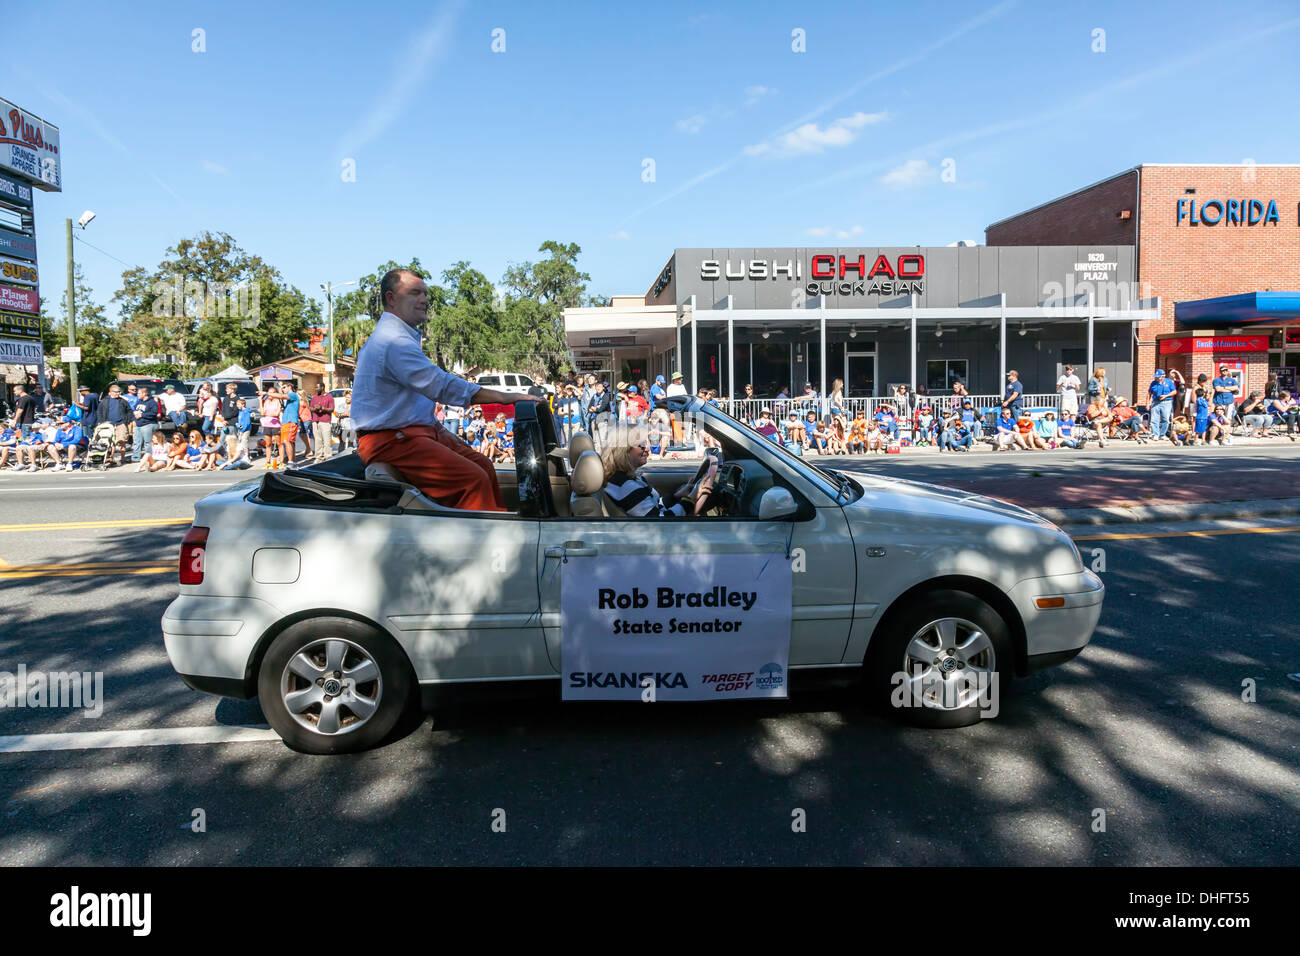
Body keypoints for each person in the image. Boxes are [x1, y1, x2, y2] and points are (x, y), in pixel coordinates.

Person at [351, 268, 541, 511]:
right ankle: (485, 542)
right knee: (473, 480)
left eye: (425, 293)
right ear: (391, 298)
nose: (424, 300)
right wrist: (504, 397)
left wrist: (439, 430)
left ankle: (496, 522)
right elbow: (441, 384)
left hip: (412, 432)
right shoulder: (392, 342)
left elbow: (414, 403)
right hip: (391, 440)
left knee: (483, 464)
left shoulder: (400, 337)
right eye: (414, 293)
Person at [601, 428, 715, 517]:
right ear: (624, 450)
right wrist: (691, 498)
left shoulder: (627, 479)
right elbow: (661, 521)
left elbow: (652, 506)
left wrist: (676, 496)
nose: (647, 448)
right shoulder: (625, 485)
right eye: (641, 445)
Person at [101, 383, 134, 466]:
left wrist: (127, 420)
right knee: (110, 442)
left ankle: (123, 458)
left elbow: (129, 411)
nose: (118, 393)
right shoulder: (105, 401)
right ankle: (110, 458)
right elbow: (99, 412)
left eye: (119, 392)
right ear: (110, 392)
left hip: (121, 423)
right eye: (116, 392)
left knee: (122, 441)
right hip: (108, 425)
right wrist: (101, 422)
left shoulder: (122, 401)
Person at [131, 387, 163, 462]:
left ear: (144, 393)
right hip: (138, 424)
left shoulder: (152, 402)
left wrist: (142, 415)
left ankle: (148, 457)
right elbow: (135, 410)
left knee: (147, 442)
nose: (137, 394)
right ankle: (136, 458)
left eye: (139, 393)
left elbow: (154, 413)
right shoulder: (139, 401)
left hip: (148, 424)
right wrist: (135, 418)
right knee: (136, 442)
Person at [309, 383, 335, 462]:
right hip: (315, 421)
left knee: (327, 440)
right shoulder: (314, 397)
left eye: (317, 387)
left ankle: (328, 457)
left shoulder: (329, 397)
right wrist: (315, 409)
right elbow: (310, 408)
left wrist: (322, 408)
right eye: (315, 387)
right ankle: (318, 457)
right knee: (317, 440)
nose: (315, 389)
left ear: (322, 387)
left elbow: (331, 409)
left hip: (325, 421)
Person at [1147, 369, 1176, 439]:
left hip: (1166, 402)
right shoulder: (1153, 383)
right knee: (1154, 419)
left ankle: (1162, 434)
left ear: (1162, 377)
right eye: (1156, 377)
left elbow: (1174, 392)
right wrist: (1147, 403)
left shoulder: (1169, 382)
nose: (1156, 378)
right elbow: (1149, 393)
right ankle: (1155, 434)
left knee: (1165, 419)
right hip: (1155, 402)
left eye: (1158, 377)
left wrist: (1166, 396)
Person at [260, 384, 284, 468]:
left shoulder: (277, 401)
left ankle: (281, 461)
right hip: (267, 424)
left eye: (272, 393)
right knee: (268, 444)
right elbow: (262, 413)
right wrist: (260, 400)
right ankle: (268, 461)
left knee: (279, 443)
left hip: (276, 424)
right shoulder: (266, 401)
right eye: (269, 392)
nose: (270, 394)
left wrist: (268, 414)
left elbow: (276, 413)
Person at [218, 383, 241, 459]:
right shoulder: (226, 398)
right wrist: (223, 418)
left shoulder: (237, 399)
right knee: (222, 439)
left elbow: (235, 411)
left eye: (227, 389)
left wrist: (227, 417)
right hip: (225, 423)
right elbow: (223, 409)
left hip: (232, 422)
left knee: (233, 439)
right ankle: (225, 454)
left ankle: (235, 455)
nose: (226, 390)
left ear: (232, 390)